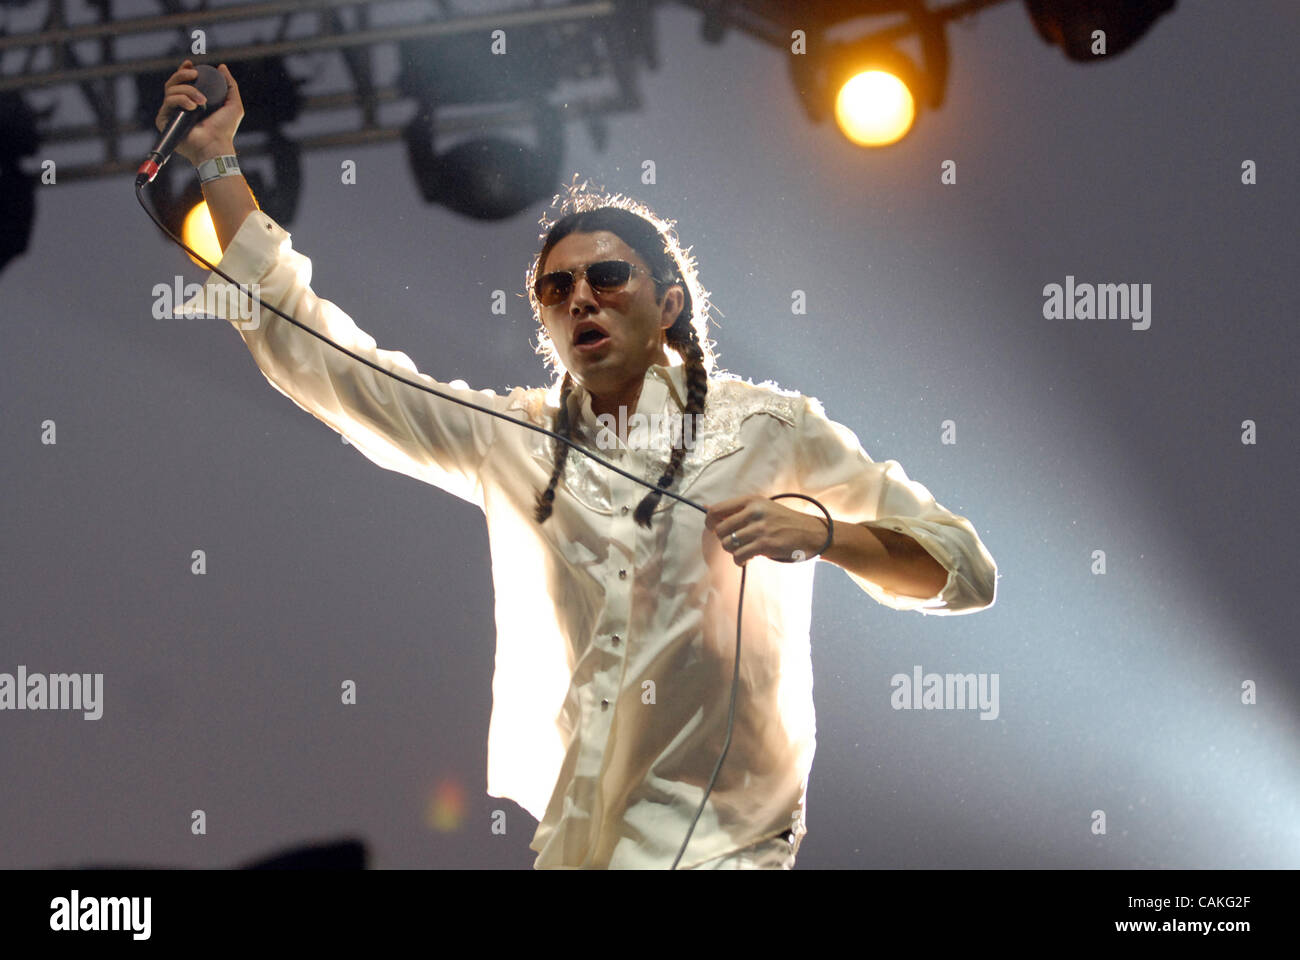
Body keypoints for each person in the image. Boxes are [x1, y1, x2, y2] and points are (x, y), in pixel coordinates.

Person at [155, 61, 999, 869]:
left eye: (604, 277)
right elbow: (325, 362)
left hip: (727, 843)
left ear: (669, 304)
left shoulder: (768, 429)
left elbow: (962, 569)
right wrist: (220, 159)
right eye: (556, 292)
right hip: (583, 843)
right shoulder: (515, 440)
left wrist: (823, 531)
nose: (580, 298)